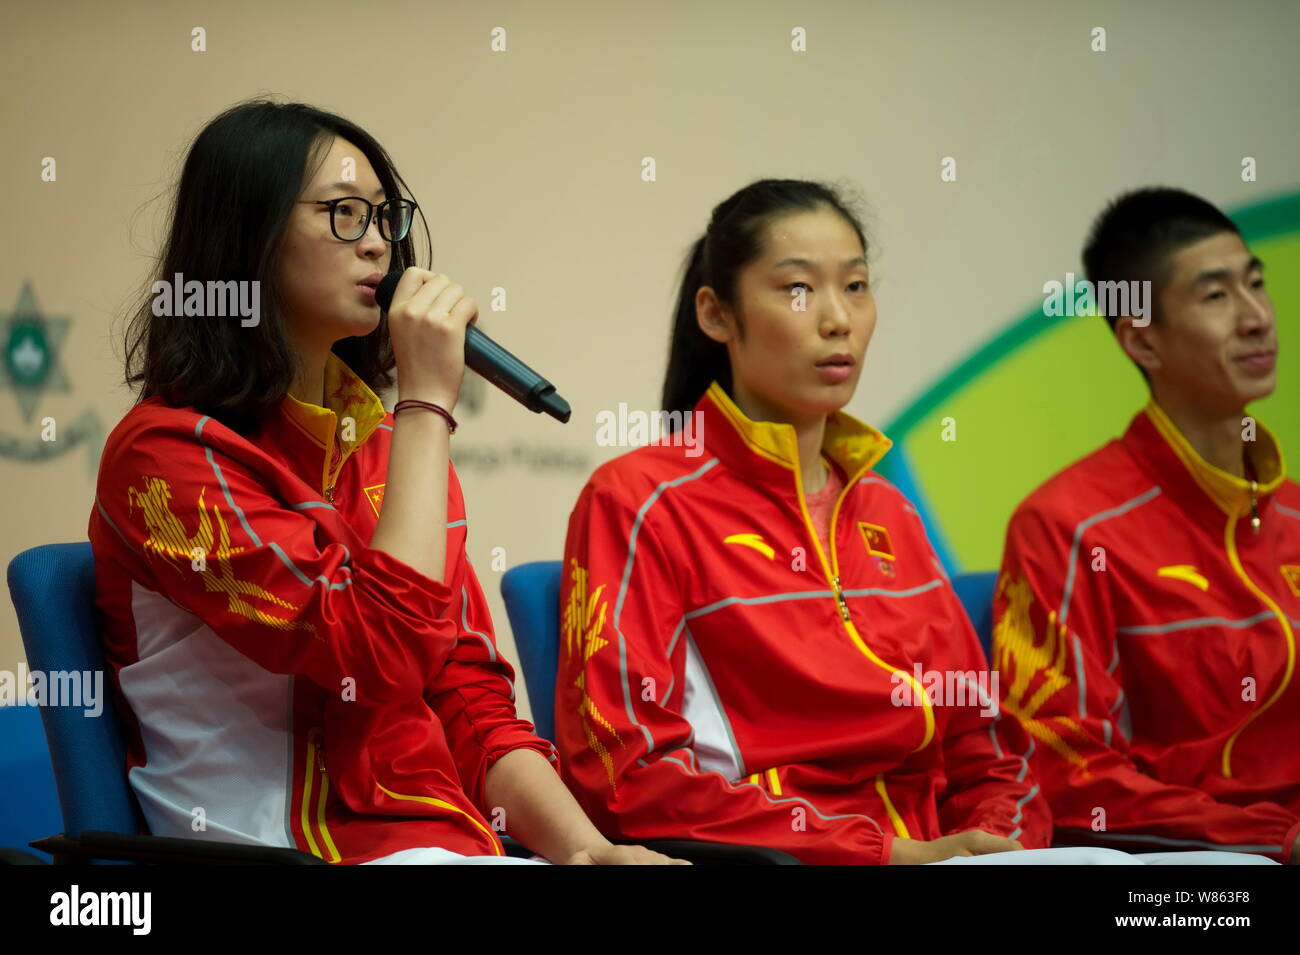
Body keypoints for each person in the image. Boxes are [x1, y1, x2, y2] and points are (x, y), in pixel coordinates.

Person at [89, 98, 684, 865]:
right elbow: (376, 655)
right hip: (285, 849)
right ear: (250, 236)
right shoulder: (163, 457)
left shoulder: (380, 438)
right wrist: (428, 403)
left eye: (383, 217)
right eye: (342, 215)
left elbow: (463, 687)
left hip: (437, 845)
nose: (378, 246)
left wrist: (588, 851)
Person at [557, 178, 1071, 866]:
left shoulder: (889, 510)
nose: (838, 319)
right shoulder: (637, 499)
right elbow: (625, 776)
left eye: (856, 287)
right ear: (716, 314)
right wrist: (884, 853)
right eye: (798, 289)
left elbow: (985, 750)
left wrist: (998, 846)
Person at [993, 187, 1299, 863]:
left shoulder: (1295, 511)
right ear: (1142, 338)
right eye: (1216, 297)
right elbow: (1064, 775)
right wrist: (1273, 837)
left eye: (1257, 285)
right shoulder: (1069, 527)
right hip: (1197, 865)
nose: (1257, 319)